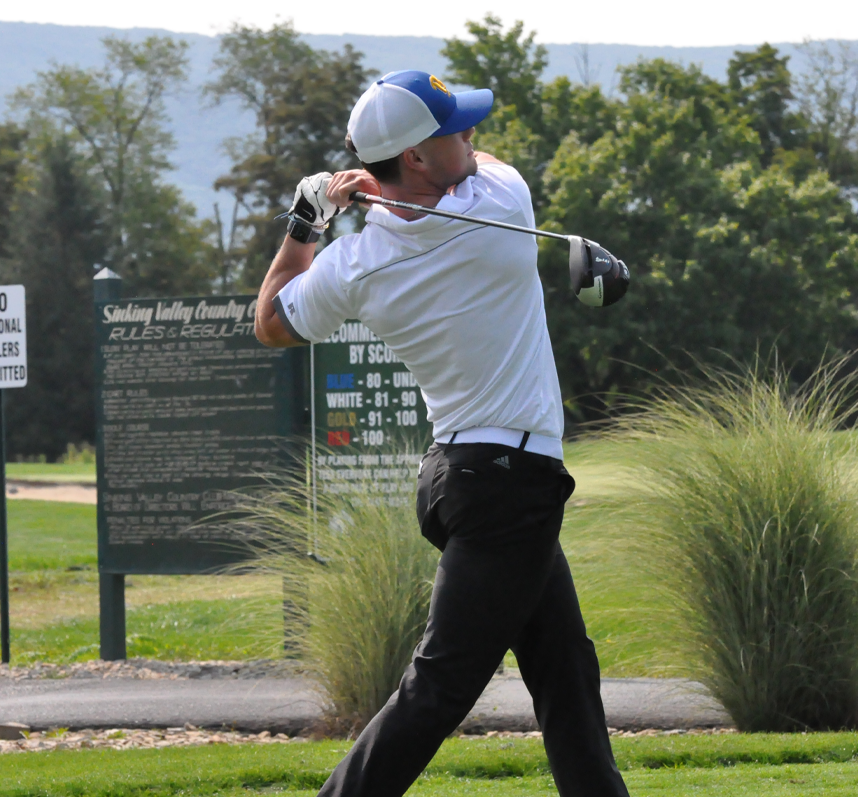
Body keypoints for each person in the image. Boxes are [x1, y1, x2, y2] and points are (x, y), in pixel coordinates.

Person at [254, 70, 630, 797]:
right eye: (454, 127)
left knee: (564, 666)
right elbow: (479, 169)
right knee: (440, 687)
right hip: (507, 486)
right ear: (419, 157)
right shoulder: (501, 202)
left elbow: (270, 320)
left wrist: (309, 218)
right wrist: (382, 182)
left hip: (457, 476)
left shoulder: (355, 263)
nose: (471, 135)